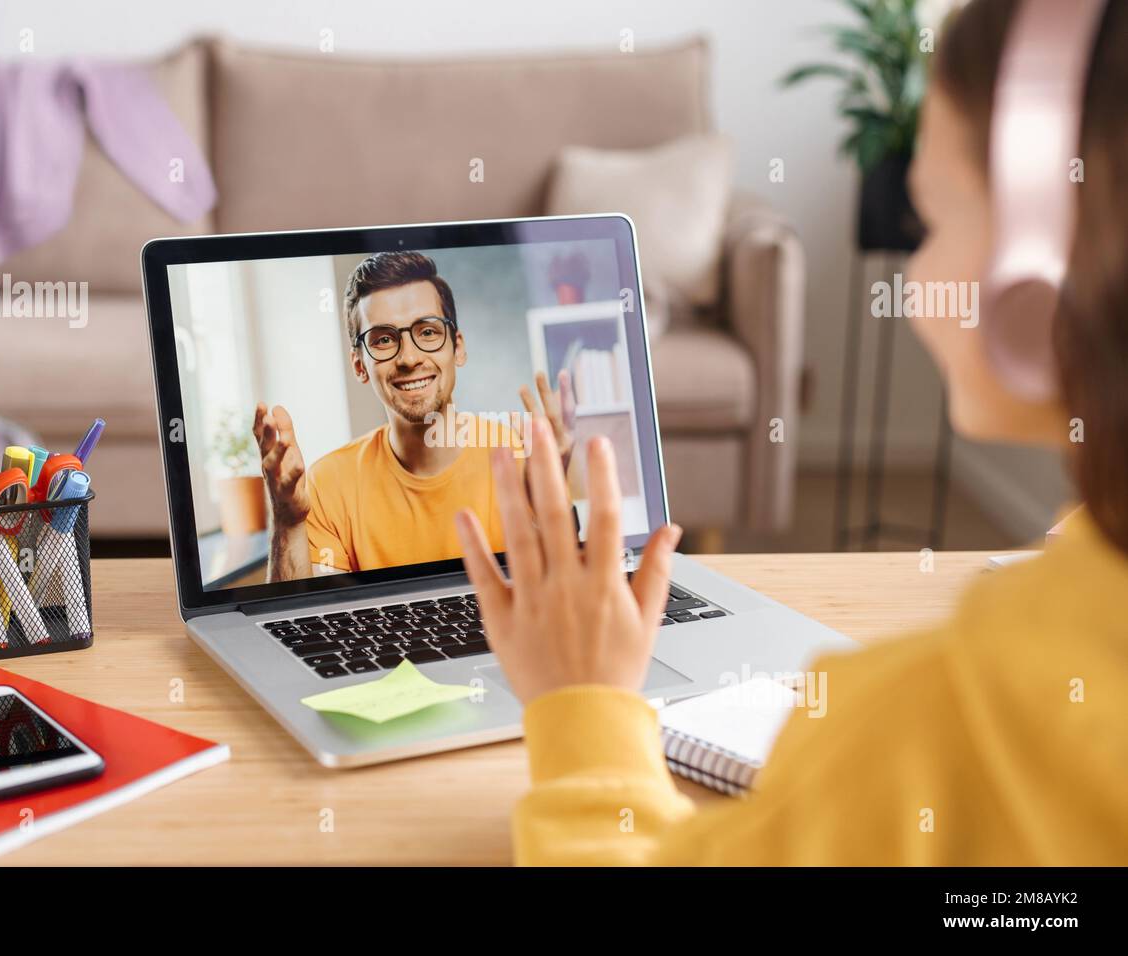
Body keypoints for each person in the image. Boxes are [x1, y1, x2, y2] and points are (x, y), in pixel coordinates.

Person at [454, 0, 1128, 865]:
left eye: (931, 220)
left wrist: (580, 703)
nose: (915, 275)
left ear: (1039, 268)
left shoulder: (940, 731)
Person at [253, 251, 574, 582]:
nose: (409, 358)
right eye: (384, 339)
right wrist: (287, 520)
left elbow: (565, 597)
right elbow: (311, 613)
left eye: (428, 332)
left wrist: (549, 506)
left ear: (458, 347)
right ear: (360, 365)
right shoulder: (328, 484)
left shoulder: (525, 456)